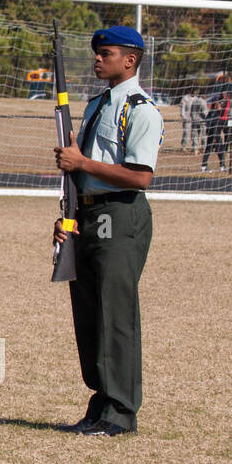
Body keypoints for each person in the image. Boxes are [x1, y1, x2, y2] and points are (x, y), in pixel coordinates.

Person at [52, 25, 162, 437]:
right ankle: (100, 400)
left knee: (115, 312)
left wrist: (81, 164)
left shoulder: (141, 109)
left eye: (106, 53)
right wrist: (69, 216)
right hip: (88, 213)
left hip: (121, 213)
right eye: (96, 52)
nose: (97, 59)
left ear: (130, 60)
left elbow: (140, 177)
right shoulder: (98, 102)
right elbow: (77, 167)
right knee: (89, 310)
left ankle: (121, 409)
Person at [202, 89, 232, 173]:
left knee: (209, 148)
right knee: (220, 149)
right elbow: (212, 122)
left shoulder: (213, 113)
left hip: (212, 131)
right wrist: (215, 136)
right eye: (219, 104)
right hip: (214, 132)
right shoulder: (215, 114)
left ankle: (204, 166)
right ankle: (221, 166)